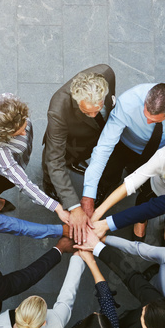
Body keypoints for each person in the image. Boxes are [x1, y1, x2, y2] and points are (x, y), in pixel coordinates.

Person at [76, 82, 165, 228]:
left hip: (163, 148)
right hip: (127, 145)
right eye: (146, 115)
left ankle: (142, 211)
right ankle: (104, 187)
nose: (148, 122)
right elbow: (103, 147)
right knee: (110, 171)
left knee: (152, 182)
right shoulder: (127, 103)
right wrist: (89, 193)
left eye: (154, 120)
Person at [41, 64, 116, 240]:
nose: (93, 114)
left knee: (81, 154)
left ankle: (75, 161)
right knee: (53, 165)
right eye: (86, 111)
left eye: (97, 109)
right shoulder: (58, 109)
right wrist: (74, 206)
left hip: (90, 137)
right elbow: (55, 161)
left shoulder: (107, 73)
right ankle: (50, 186)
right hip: (69, 140)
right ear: (76, 101)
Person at [0, 93, 70, 226]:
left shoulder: (9, 106)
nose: (24, 133)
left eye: (24, 125)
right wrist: (57, 207)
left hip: (17, 160)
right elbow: (25, 184)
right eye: (18, 133)